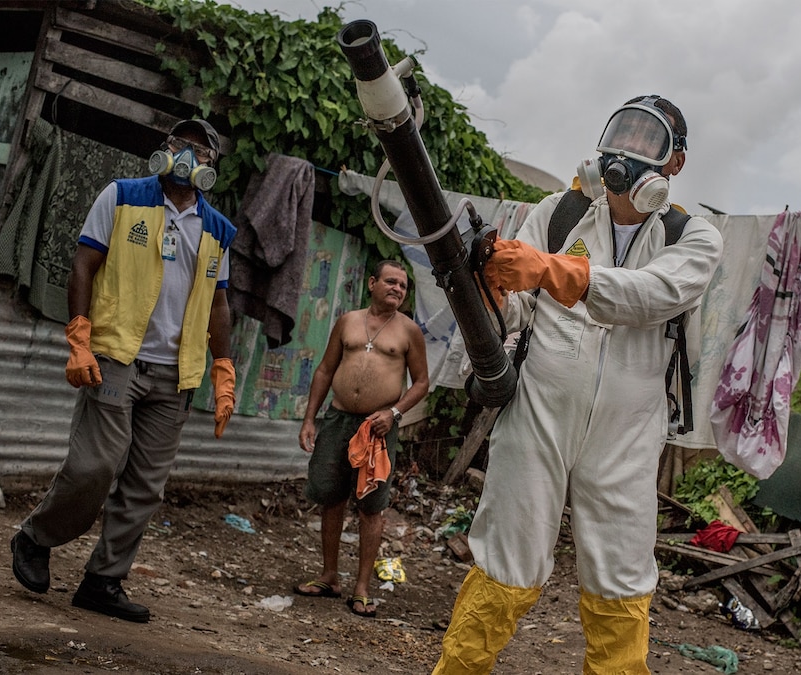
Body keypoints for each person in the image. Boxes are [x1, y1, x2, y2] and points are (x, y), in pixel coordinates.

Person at [434, 95, 723, 674]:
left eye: (649, 141)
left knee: (621, 578)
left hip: (628, 433)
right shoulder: (558, 214)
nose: (629, 150)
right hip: (539, 413)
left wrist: (547, 269)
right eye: (624, 133)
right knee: (504, 561)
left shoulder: (693, 237)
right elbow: (515, 310)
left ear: (675, 163)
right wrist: (490, 293)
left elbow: (650, 295)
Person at [9, 118, 238, 623]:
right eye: (182, 144)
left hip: (174, 374)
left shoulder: (219, 229)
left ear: (212, 168)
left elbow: (219, 305)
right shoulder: (122, 195)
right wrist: (79, 338)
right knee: (97, 465)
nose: (189, 155)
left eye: (202, 151)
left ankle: (103, 581)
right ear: (165, 148)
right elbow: (84, 265)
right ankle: (35, 537)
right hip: (116, 356)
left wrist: (223, 367)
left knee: (145, 487)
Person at [294, 260, 429, 618]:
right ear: (372, 283)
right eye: (390, 282)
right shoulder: (347, 322)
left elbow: (421, 383)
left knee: (371, 506)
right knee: (330, 496)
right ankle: (328, 576)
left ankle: (362, 588)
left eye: (403, 285)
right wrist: (310, 419)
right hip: (338, 419)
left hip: (378, 429)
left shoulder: (408, 331)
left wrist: (394, 413)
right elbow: (324, 370)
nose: (397, 289)